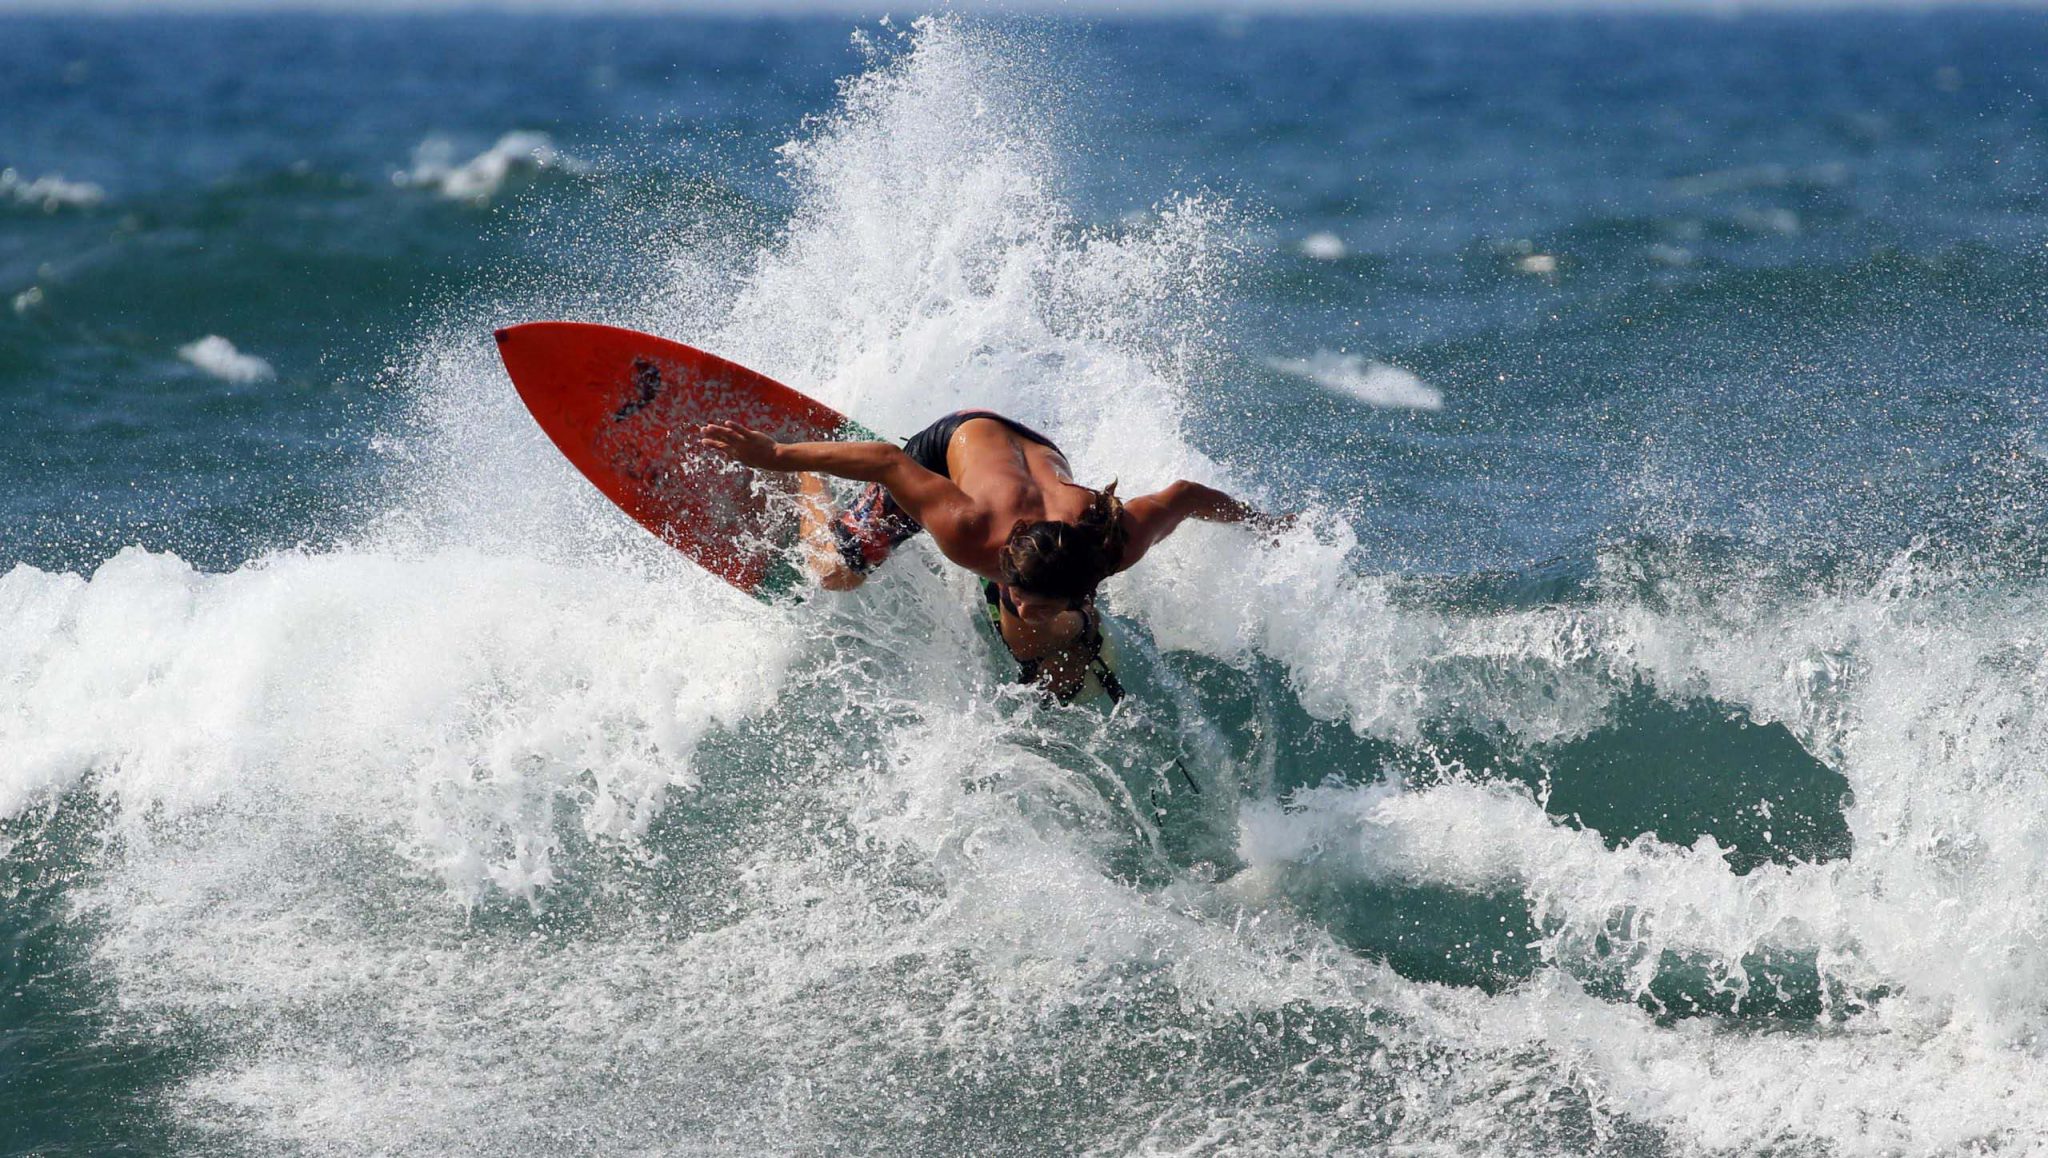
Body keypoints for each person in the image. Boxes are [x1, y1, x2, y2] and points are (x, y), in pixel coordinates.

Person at [695, 410, 1279, 702]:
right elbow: (883, 460)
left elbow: (1186, 496)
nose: (1023, 607)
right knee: (834, 575)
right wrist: (780, 455)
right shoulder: (966, 529)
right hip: (949, 443)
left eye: (1029, 600)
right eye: (1019, 596)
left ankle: (1066, 641)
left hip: (1033, 447)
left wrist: (1265, 526)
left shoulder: (1114, 538)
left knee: (1063, 664)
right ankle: (810, 493)